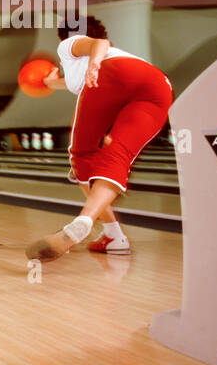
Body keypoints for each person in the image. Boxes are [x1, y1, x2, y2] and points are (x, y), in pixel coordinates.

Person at [27, 15, 173, 261]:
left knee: (82, 156)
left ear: (63, 36)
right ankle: (109, 235)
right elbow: (80, 82)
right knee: (117, 155)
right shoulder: (110, 60)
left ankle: (105, 228)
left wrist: (94, 63)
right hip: (158, 87)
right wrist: (52, 83)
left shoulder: (69, 44)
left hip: (111, 75)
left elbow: (99, 45)